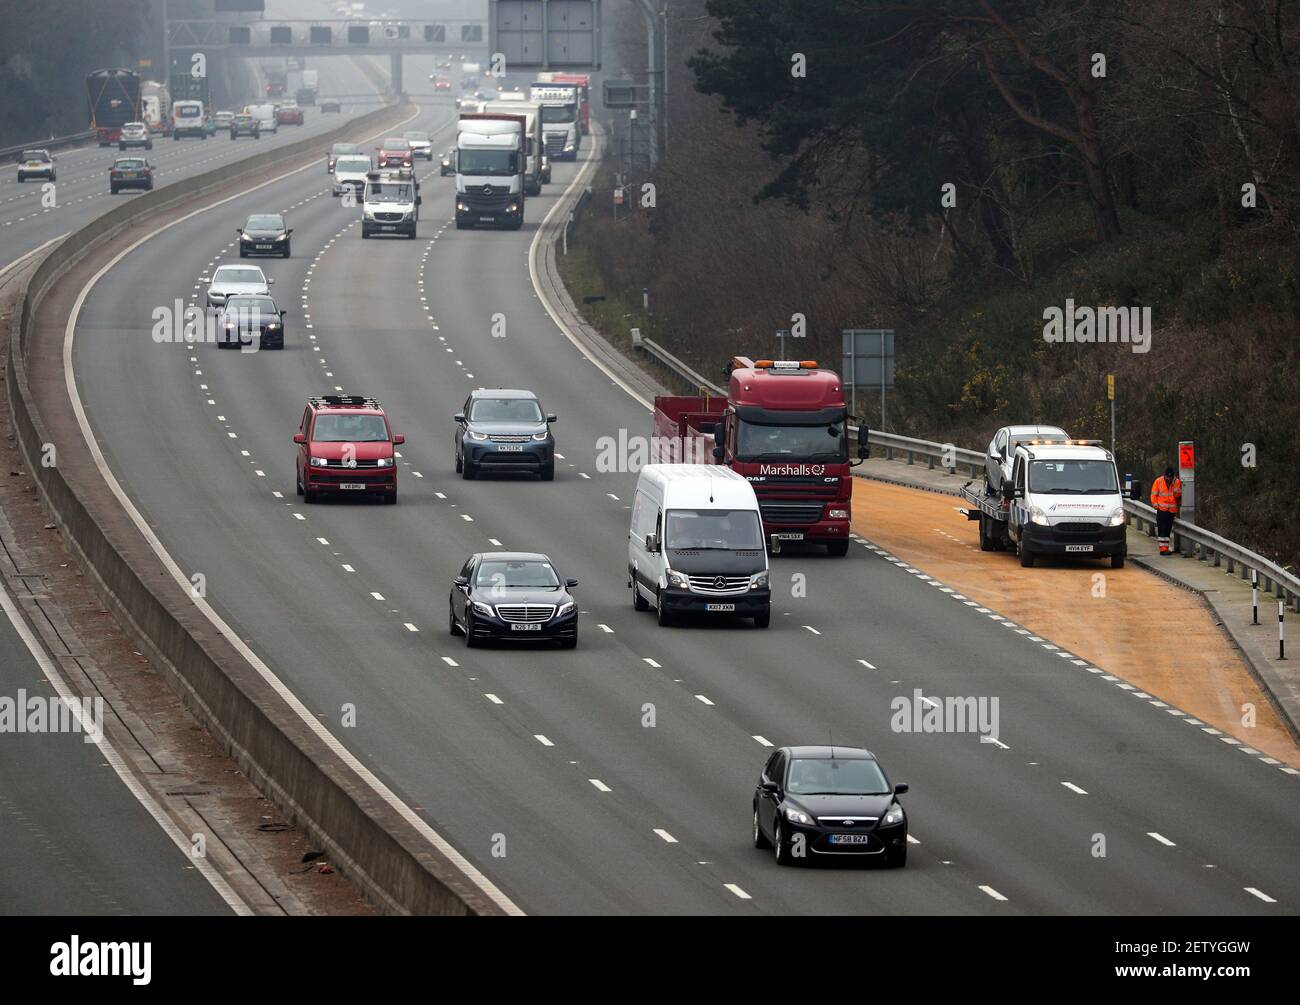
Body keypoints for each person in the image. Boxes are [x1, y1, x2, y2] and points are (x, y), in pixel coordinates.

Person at [1150, 466, 1182, 554]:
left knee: (1168, 530)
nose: (1168, 479)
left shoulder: (1176, 482)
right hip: (1161, 509)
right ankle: (1162, 549)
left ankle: (1166, 548)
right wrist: (1156, 505)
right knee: (1162, 529)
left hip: (1171, 511)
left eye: (1170, 477)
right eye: (1167, 477)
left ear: (1173, 477)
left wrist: (1174, 484)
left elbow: (1177, 495)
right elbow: (1153, 494)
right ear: (1164, 476)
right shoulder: (1158, 481)